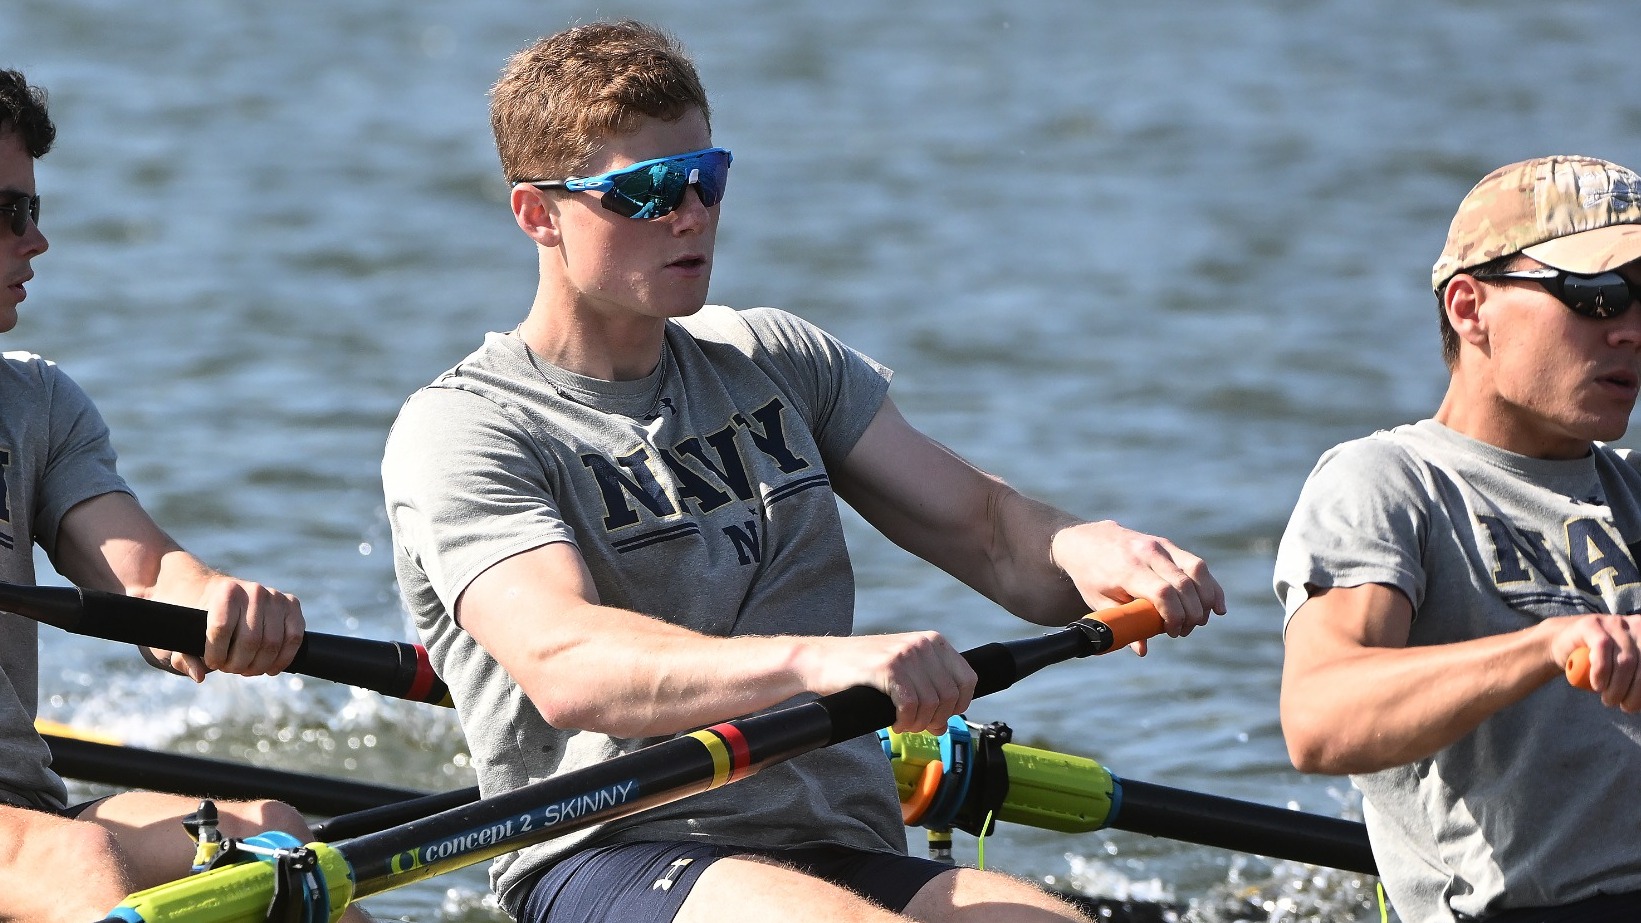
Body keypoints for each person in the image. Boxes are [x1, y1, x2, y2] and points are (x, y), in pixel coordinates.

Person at [382, 20, 1225, 923]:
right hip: (613, 847)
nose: (691, 213)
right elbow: (568, 661)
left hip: (837, 839)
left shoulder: (776, 359)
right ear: (538, 213)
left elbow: (990, 533)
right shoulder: (467, 428)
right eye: (647, 190)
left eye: (705, 178)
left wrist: (1084, 547)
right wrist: (819, 662)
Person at [0, 69, 373, 923]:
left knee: (274, 848)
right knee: (78, 856)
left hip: (24, 810)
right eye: (9, 212)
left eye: (34, 208)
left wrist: (208, 600)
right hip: (49, 846)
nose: (38, 241)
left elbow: (144, 575)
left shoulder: (38, 406)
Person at [1275, 154, 1641, 923]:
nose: (1632, 331)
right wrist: (1549, 646)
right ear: (1470, 308)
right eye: (1599, 297)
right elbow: (1318, 718)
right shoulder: (1387, 483)